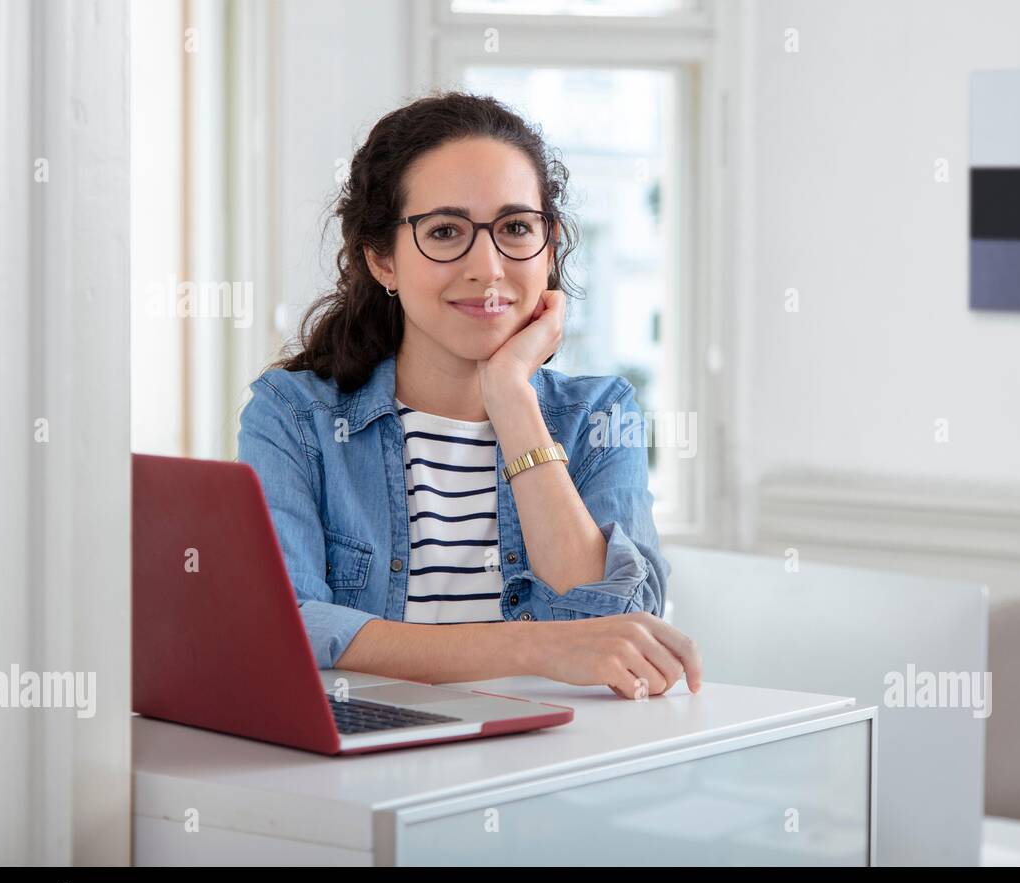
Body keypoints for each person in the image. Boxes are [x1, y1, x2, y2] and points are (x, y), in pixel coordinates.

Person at [236, 91, 700, 700]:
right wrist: (530, 646)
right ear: (382, 260)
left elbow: (616, 629)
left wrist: (511, 394)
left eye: (514, 228)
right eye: (446, 231)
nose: (487, 267)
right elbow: (288, 623)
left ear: (550, 243)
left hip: (555, 762)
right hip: (366, 768)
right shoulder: (295, 416)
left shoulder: (599, 416)